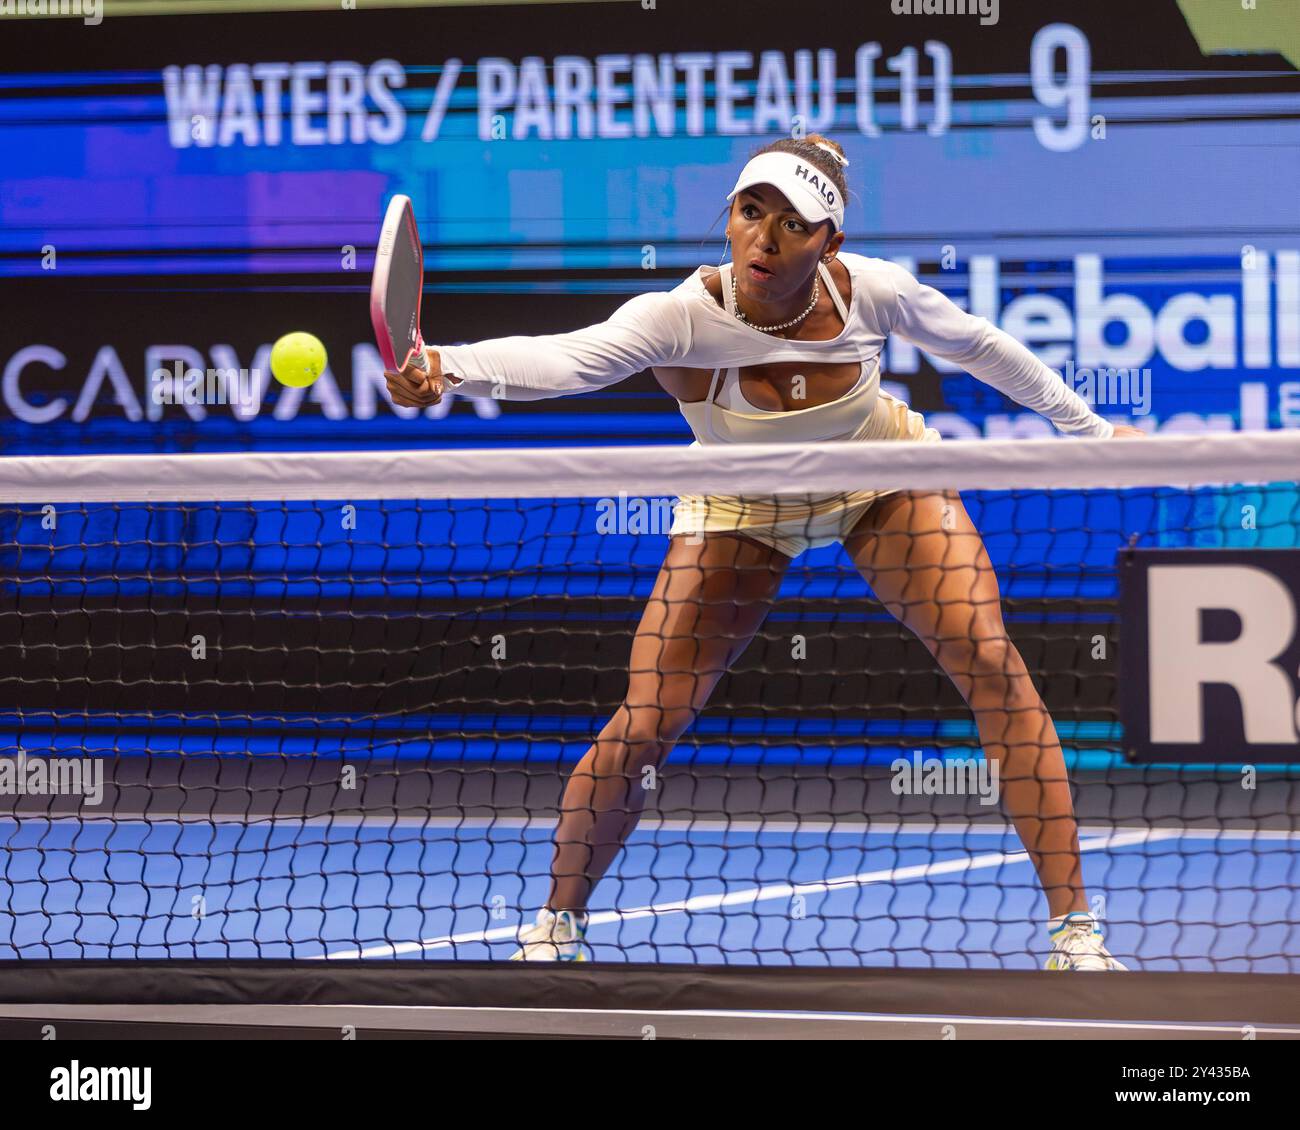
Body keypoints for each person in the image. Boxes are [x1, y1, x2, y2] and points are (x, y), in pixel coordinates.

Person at [385, 134, 1143, 971]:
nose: (765, 239)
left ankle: (1076, 932)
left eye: (793, 223)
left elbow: (984, 349)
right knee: (647, 722)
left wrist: (1095, 432)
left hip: (878, 478)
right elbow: (566, 359)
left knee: (991, 661)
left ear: (830, 243)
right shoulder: (681, 314)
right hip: (739, 503)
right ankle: (555, 926)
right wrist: (446, 366)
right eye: (751, 212)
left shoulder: (872, 293)